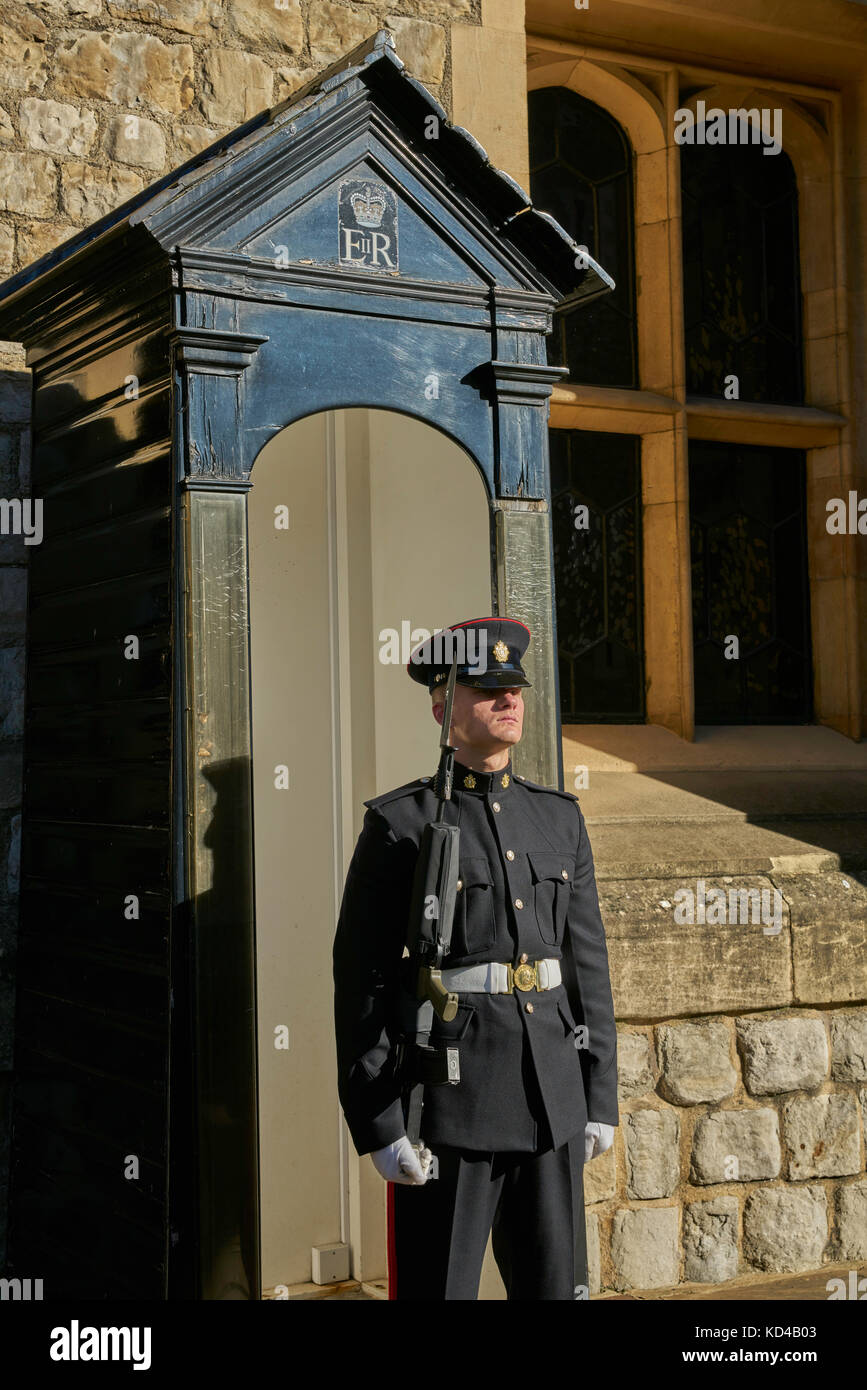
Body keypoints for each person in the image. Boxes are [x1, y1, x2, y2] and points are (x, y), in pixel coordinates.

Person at [333, 616, 618, 1300]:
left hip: (550, 1097)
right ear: (443, 708)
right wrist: (379, 1121)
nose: (508, 699)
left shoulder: (558, 818)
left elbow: (586, 964)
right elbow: (362, 977)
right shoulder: (401, 824)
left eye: (514, 687)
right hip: (449, 1106)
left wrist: (599, 1093)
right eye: (488, 689)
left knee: (556, 1290)